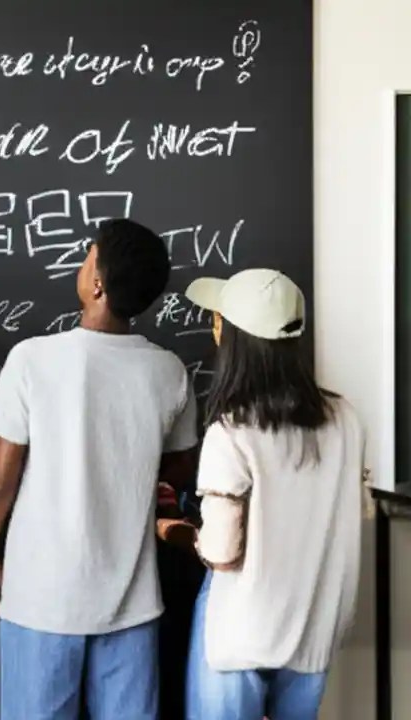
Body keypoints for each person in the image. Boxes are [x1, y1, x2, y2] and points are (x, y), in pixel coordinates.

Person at [0, 219, 198, 720]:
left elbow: (0, 477)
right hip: (132, 602)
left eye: (87, 256)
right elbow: (181, 465)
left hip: (41, 599)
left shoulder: (33, 359)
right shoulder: (168, 370)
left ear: (97, 282)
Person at [183, 269, 363, 719]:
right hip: (313, 621)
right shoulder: (345, 418)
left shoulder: (232, 429)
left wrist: (180, 532)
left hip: (242, 626)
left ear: (230, 335)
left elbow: (223, 551)